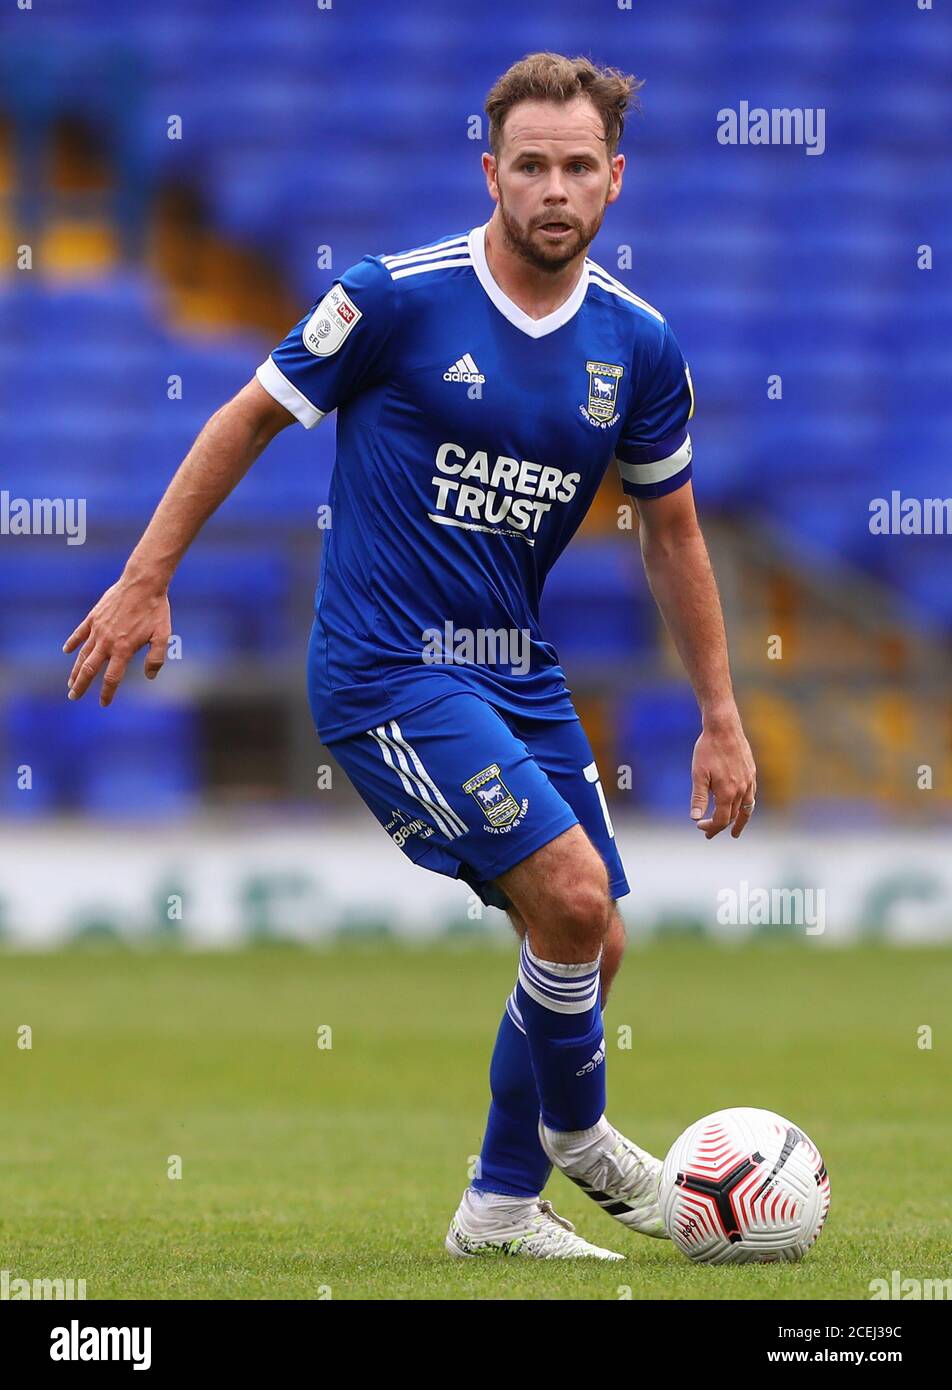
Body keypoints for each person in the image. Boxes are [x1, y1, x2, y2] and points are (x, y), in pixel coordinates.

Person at [64, 51, 756, 1260]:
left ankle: (495, 1209)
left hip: (517, 669)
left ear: (615, 182)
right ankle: (584, 1139)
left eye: (576, 166)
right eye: (529, 164)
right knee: (577, 902)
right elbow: (247, 415)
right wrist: (144, 575)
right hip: (388, 667)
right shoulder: (393, 297)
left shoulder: (639, 347)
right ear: (490, 172)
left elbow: (675, 528)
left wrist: (721, 714)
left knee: (597, 937)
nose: (552, 187)